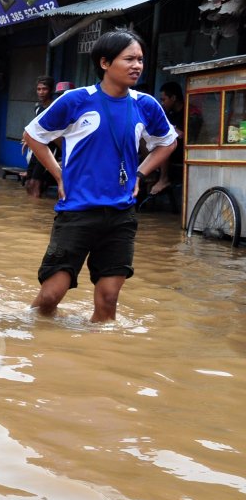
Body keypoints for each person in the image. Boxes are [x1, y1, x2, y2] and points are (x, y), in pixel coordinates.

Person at [24, 28, 176, 322]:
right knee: (50, 296)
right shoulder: (76, 100)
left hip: (121, 215)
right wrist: (59, 175)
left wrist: (140, 173)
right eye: (129, 59)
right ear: (105, 63)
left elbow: (168, 142)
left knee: (108, 301)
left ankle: (96, 344)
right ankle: (31, 333)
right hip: (76, 211)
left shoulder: (145, 104)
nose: (137, 66)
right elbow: (33, 135)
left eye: (140, 60)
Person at [22, 76, 57, 198]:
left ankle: (35, 203)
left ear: (51, 90)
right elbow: (36, 129)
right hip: (37, 148)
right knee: (28, 182)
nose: (41, 92)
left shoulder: (55, 108)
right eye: (39, 89)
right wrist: (27, 141)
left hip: (49, 149)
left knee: (35, 182)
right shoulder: (38, 108)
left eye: (44, 89)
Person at [153, 81, 185, 199]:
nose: (162, 103)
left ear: (173, 98)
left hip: (182, 149)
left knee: (165, 141)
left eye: (164, 99)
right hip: (171, 147)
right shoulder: (169, 113)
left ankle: (163, 178)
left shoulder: (188, 112)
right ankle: (150, 172)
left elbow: (182, 135)